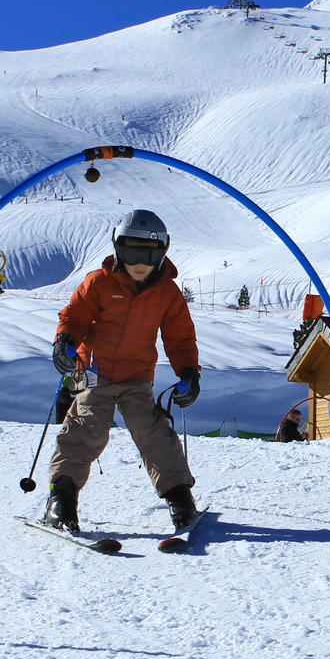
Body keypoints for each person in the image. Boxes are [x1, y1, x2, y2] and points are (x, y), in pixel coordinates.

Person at [44, 209, 200, 534]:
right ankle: (62, 498)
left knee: (153, 432)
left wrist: (188, 372)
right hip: (94, 372)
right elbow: (74, 316)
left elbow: (180, 337)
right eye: (131, 253)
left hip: (137, 376)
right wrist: (65, 340)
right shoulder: (99, 283)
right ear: (118, 249)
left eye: (148, 254)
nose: (139, 263)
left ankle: (179, 496)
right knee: (86, 428)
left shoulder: (167, 293)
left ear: (162, 252)